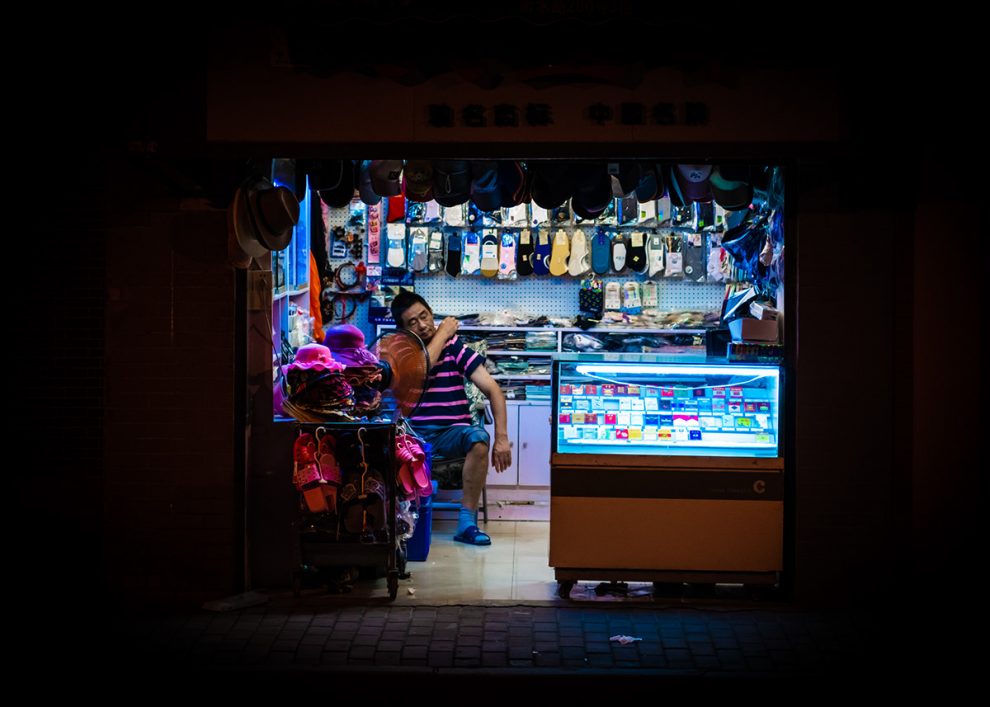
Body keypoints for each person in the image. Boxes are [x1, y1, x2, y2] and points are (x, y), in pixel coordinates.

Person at [390, 291, 511, 546]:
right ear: (403, 330)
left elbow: (494, 390)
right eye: (413, 322)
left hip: (451, 434)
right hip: (413, 436)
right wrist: (443, 333)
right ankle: (400, 521)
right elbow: (421, 370)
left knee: (479, 438)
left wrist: (502, 438)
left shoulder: (454, 347)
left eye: (425, 316)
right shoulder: (400, 350)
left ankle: (467, 523)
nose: (423, 325)